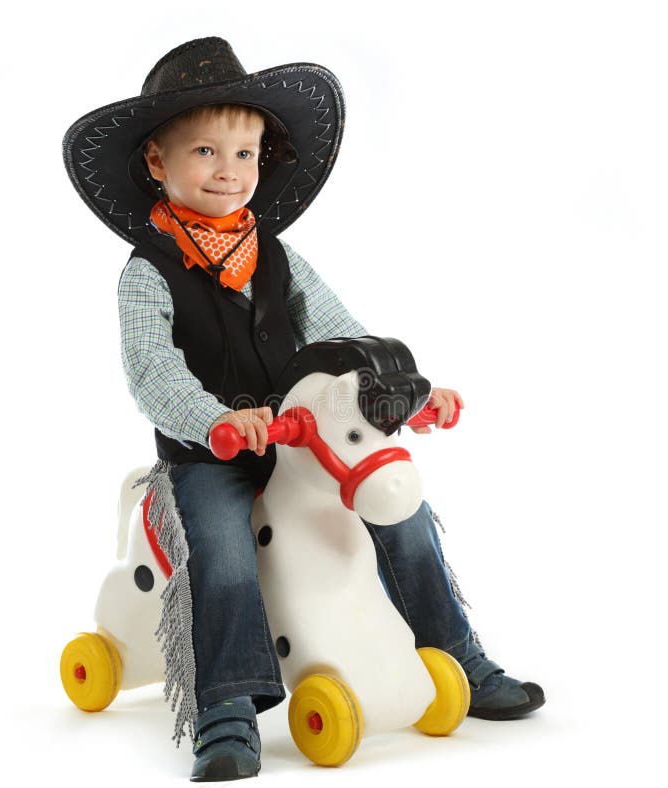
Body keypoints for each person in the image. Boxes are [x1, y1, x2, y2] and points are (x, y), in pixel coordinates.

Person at [63, 36, 545, 782]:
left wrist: (406, 394)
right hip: (211, 457)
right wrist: (214, 421)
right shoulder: (147, 273)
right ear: (157, 160)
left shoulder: (277, 256)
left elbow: (340, 336)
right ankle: (225, 704)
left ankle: (457, 653)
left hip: (299, 444)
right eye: (205, 152)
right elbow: (151, 370)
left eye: (245, 153)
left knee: (402, 509)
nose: (229, 171)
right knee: (222, 547)